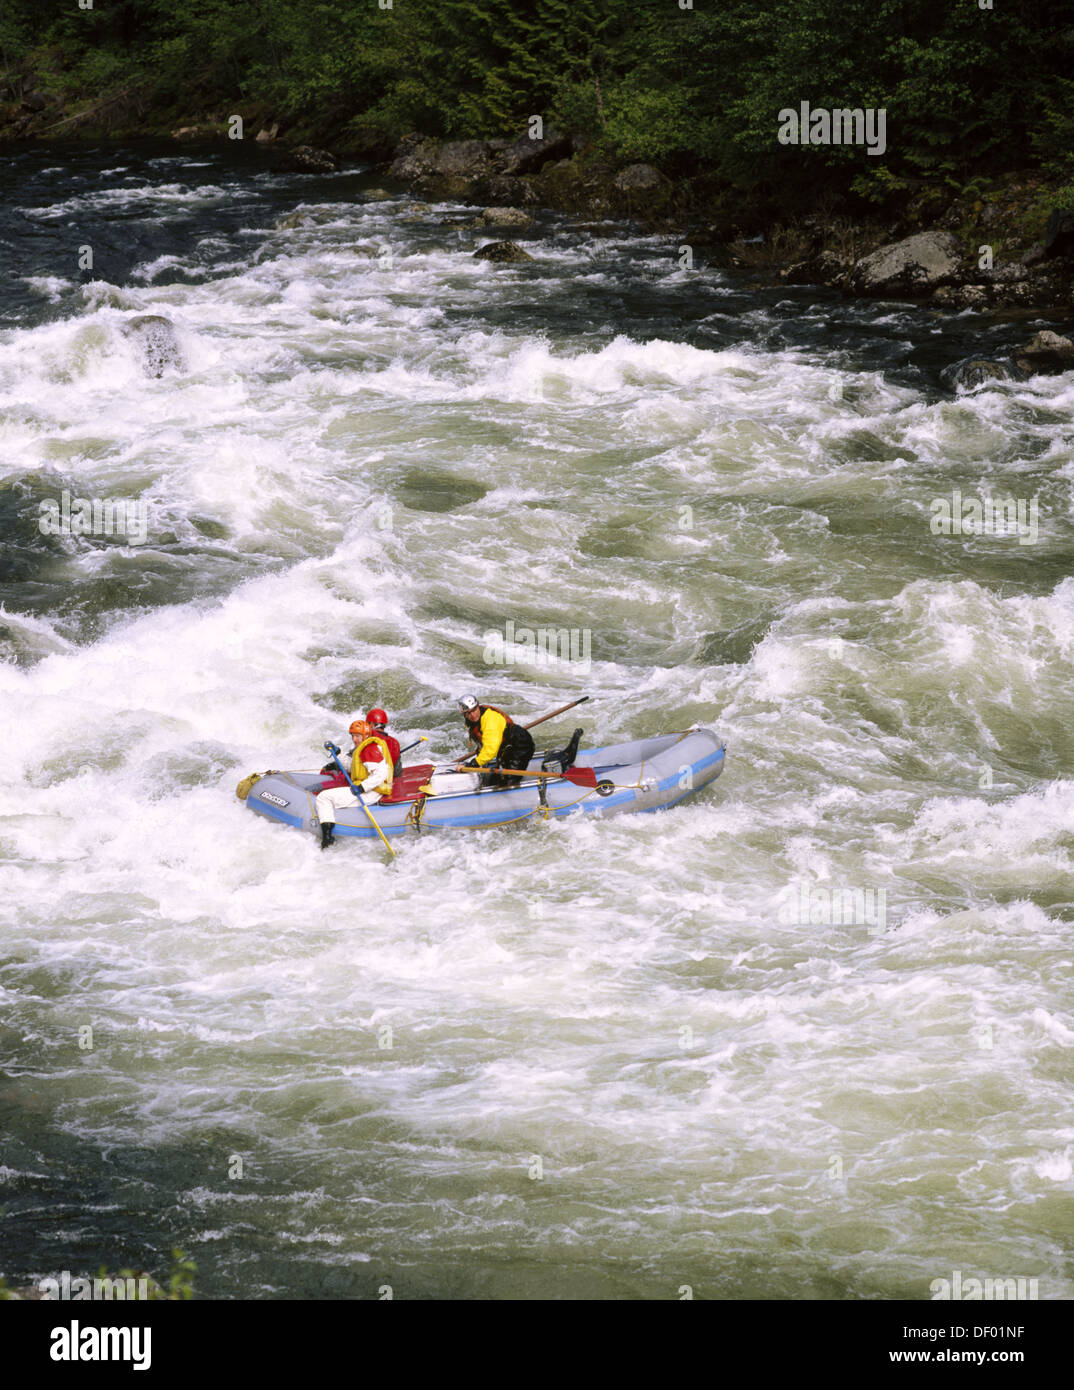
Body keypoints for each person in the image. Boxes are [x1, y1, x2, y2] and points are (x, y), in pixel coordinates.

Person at [315, 718, 394, 849]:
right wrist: (337, 753)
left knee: (323, 797)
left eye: (357, 736)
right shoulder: (364, 748)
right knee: (328, 796)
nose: (354, 739)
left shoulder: (370, 750)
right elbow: (352, 767)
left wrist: (362, 787)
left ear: (366, 735)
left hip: (371, 792)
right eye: (352, 736)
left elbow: (380, 774)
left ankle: (327, 838)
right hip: (367, 789)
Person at [454, 694, 535, 788]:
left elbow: (490, 750)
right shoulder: (471, 722)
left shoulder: (490, 720)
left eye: (474, 710)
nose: (473, 715)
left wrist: (472, 764)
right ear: (464, 714)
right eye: (468, 713)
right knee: (495, 778)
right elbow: (484, 742)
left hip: (520, 745)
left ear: (478, 706)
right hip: (505, 748)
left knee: (508, 780)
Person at [365, 707, 401, 775]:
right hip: (389, 776)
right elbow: (397, 771)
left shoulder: (369, 737)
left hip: (371, 777)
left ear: (372, 724)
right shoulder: (395, 742)